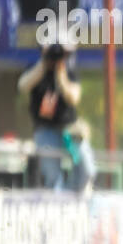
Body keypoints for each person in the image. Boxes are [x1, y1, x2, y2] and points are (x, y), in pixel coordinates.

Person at [17, 38, 96, 192]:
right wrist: (43, 65)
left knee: (87, 168)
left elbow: (74, 97)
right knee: (53, 177)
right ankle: (61, 201)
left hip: (69, 129)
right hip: (46, 129)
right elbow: (22, 86)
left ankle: (73, 195)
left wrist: (61, 75)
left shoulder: (69, 71)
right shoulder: (35, 68)